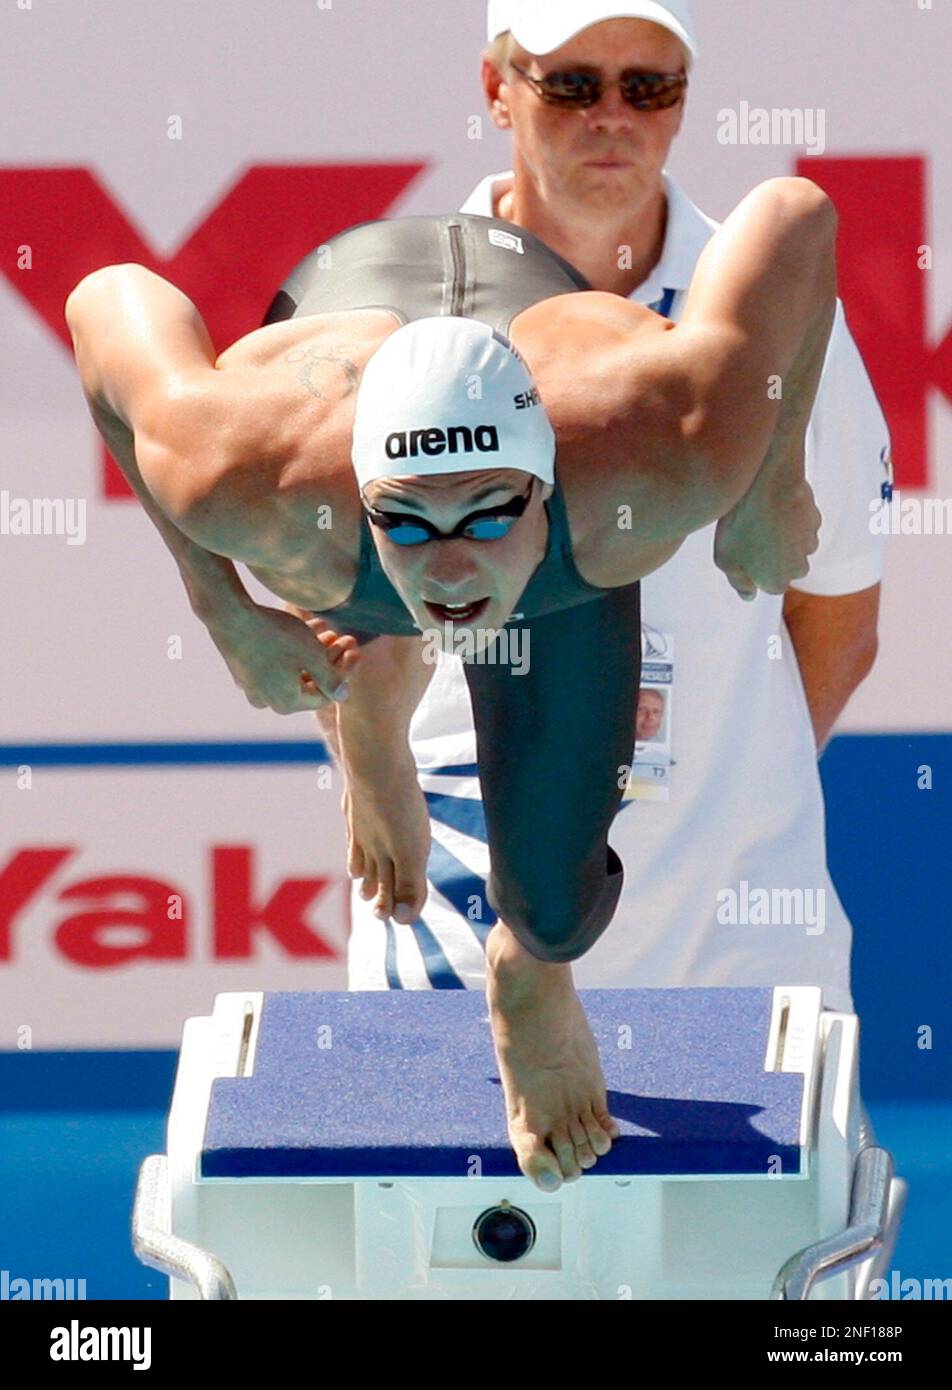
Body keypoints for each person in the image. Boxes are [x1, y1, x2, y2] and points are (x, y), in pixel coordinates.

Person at [65, 176, 835, 1189]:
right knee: (362, 582)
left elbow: (796, 214)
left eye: (486, 513)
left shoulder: (655, 460)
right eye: (410, 519)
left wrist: (772, 482)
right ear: (359, 488)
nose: (450, 562)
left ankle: (529, 972)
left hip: (538, 359)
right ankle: (372, 725)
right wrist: (222, 610)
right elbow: (104, 300)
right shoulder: (242, 475)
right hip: (336, 344)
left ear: (544, 486)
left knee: (550, 907)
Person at [344, 1, 889, 1034]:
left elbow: (839, 623)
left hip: (737, 941)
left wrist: (709, 800)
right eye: (572, 84)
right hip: (456, 937)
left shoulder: (776, 307)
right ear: (496, 87)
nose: (612, 117)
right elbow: (344, 623)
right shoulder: (390, 310)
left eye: (649, 87)